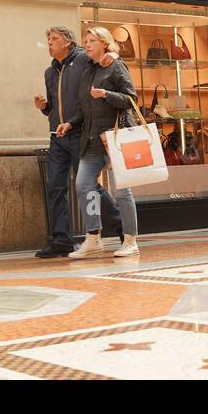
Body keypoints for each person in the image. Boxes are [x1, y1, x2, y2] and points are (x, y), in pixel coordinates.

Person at [33, 27, 120, 258]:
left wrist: (115, 56)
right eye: (48, 39)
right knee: (56, 188)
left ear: (68, 43)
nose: (49, 43)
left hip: (81, 134)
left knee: (89, 185)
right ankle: (62, 240)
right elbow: (54, 106)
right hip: (57, 136)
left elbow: (107, 62)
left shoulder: (83, 59)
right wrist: (45, 108)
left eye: (54, 39)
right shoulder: (49, 73)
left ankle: (119, 226)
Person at [64, 27, 141, 259]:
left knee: (121, 191)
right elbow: (84, 108)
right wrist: (70, 123)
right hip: (91, 139)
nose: (86, 44)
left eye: (92, 41)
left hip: (115, 139)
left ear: (105, 44)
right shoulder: (88, 70)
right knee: (84, 185)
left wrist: (107, 94)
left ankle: (130, 240)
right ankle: (93, 239)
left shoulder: (116, 65)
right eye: (85, 41)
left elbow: (131, 99)